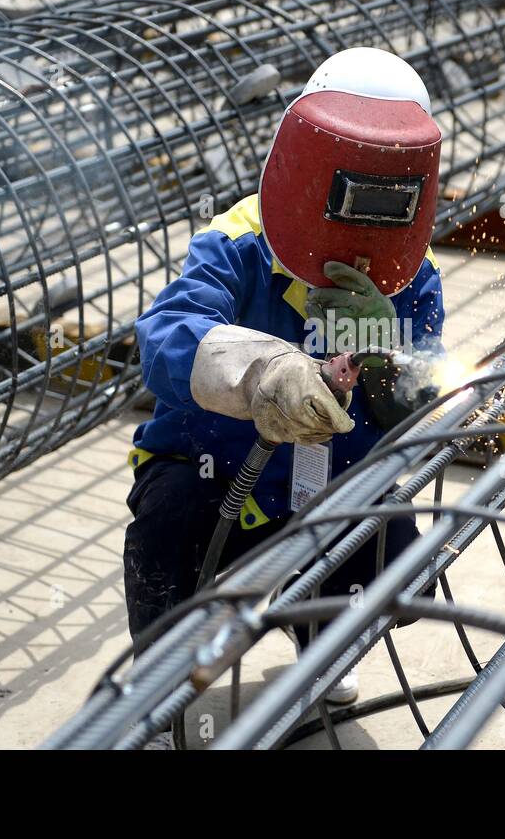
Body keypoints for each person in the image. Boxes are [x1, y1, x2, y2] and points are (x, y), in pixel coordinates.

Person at [123, 47, 444, 727]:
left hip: (330, 491)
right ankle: (152, 693)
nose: (365, 234)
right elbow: (164, 335)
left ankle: (325, 644)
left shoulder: (413, 269)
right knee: (168, 517)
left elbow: (420, 398)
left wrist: (388, 359)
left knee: (392, 539)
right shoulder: (238, 239)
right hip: (217, 480)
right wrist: (261, 372)